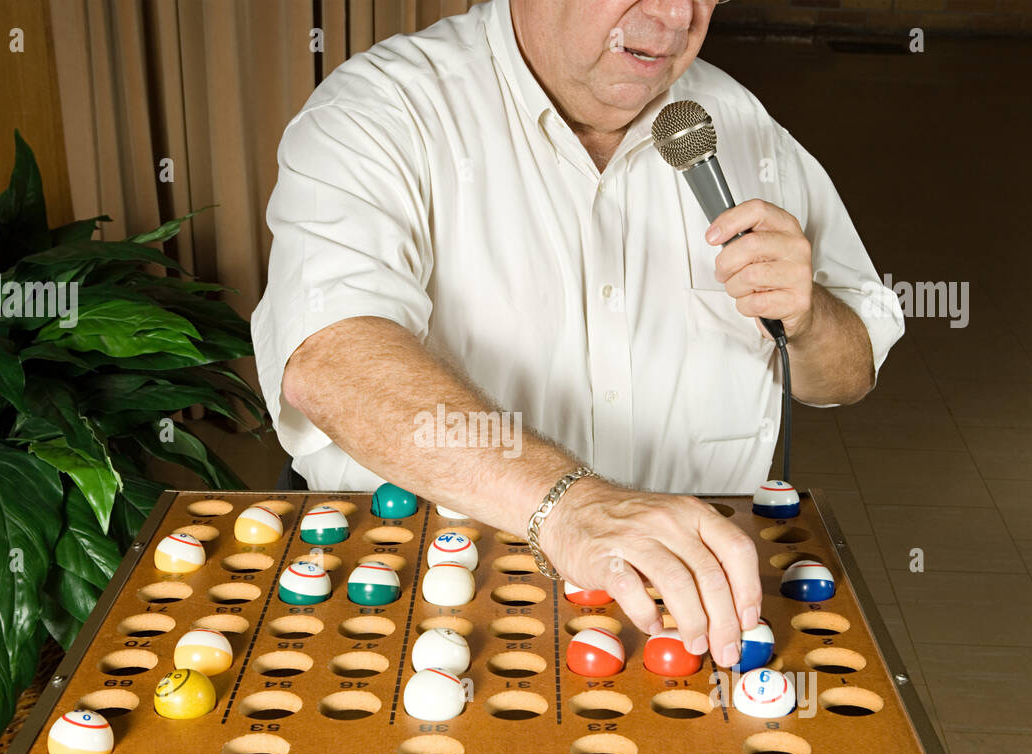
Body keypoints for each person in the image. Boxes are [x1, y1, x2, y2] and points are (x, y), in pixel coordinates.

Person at [250, 0, 904, 669]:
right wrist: (568, 509)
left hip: (685, 616)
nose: (679, 15)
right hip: (427, 613)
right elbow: (332, 361)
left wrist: (806, 316)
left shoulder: (739, 126)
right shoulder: (381, 109)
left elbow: (848, 375)